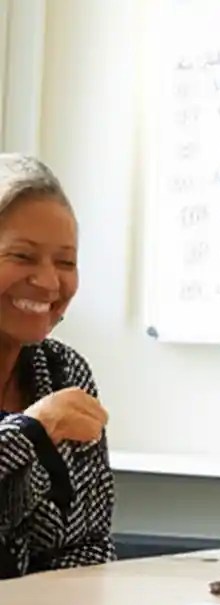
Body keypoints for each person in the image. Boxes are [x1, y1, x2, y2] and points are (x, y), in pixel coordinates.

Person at [0, 154, 115, 578]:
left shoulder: (63, 372)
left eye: (65, 262)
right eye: (23, 257)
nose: (49, 282)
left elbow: (89, 543)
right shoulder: (51, 410)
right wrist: (32, 430)